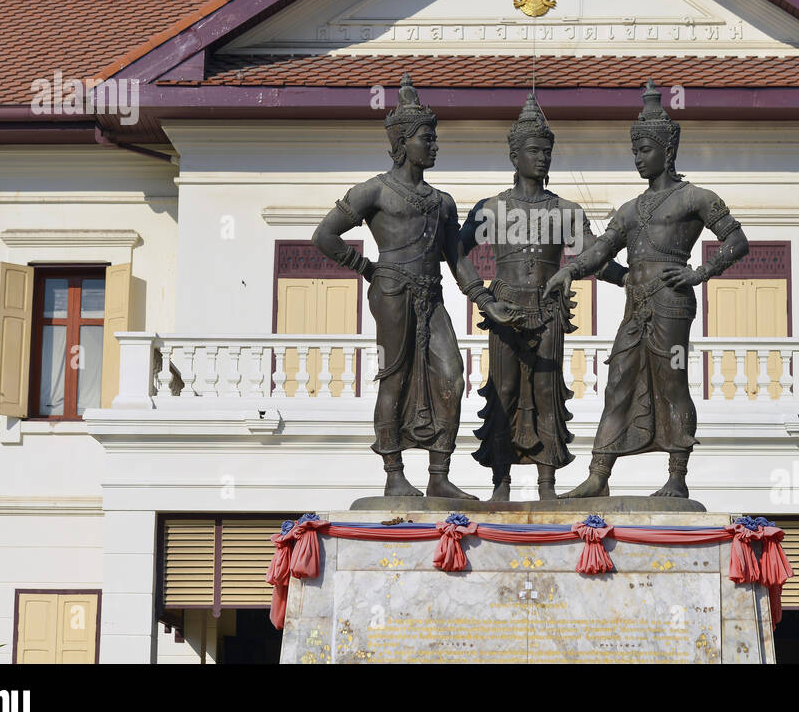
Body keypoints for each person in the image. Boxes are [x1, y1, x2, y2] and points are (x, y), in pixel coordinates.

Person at [312, 75, 517, 499]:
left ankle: (439, 474)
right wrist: (366, 268)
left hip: (431, 294)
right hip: (392, 293)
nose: (435, 145)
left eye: (435, 138)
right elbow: (324, 236)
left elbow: (456, 259)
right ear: (403, 142)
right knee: (395, 376)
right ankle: (394, 473)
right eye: (427, 138)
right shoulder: (373, 191)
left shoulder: (442, 202)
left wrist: (484, 300)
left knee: (452, 374)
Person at [544, 79, 749, 499]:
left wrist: (700, 273)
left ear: (667, 151)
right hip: (635, 306)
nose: (638, 158)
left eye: (645, 150)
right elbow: (601, 251)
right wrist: (571, 270)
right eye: (635, 150)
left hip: (672, 303)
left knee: (672, 382)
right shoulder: (630, 210)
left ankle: (677, 476)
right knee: (617, 381)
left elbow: (737, 241)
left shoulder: (695, 198)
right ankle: (599, 475)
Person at [460, 93, 627, 501]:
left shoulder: (567, 211)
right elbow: (454, 252)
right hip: (504, 305)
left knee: (547, 390)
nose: (542, 158)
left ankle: (547, 484)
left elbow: (593, 257)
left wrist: (629, 277)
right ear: (515, 155)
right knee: (504, 389)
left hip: (548, 307)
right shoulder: (491, 208)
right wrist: (480, 296)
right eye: (534, 151)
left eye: (546, 151)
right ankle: (500, 483)